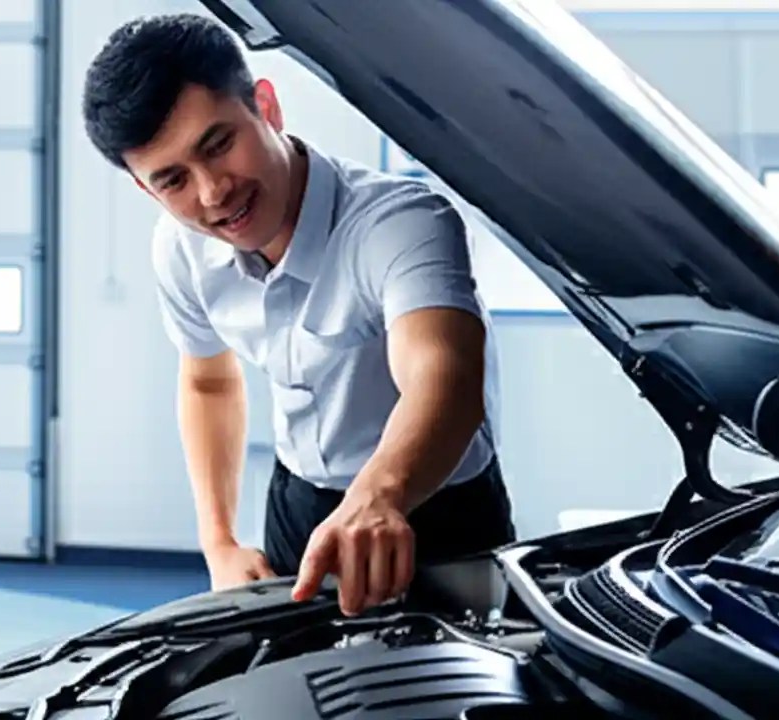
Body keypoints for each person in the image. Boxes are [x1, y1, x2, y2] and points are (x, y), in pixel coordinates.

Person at [81, 14, 516, 617]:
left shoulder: (401, 222)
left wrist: (379, 494)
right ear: (148, 191)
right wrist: (218, 540)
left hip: (436, 508)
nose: (212, 193)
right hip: (298, 505)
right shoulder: (178, 248)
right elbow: (207, 381)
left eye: (218, 144)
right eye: (173, 179)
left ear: (266, 106)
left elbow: (445, 377)